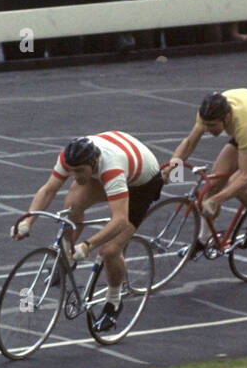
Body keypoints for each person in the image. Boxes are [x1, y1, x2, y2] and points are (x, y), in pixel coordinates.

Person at [12, 132, 163, 335]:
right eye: (72, 171)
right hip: (116, 159)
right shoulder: (70, 157)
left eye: (80, 171)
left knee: (110, 250)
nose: (75, 176)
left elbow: (119, 220)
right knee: (70, 209)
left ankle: (114, 303)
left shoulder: (112, 170)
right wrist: (27, 222)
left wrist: (88, 245)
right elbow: (49, 190)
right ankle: (68, 259)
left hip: (142, 184)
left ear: (93, 162)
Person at [163, 90, 247, 249]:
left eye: (212, 126)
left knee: (237, 182)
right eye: (205, 125)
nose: (206, 129)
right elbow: (189, 144)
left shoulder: (243, 123)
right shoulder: (206, 114)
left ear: (226, 118)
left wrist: (217, 200)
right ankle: (204, 239)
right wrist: (172, 170)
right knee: (213, 184)